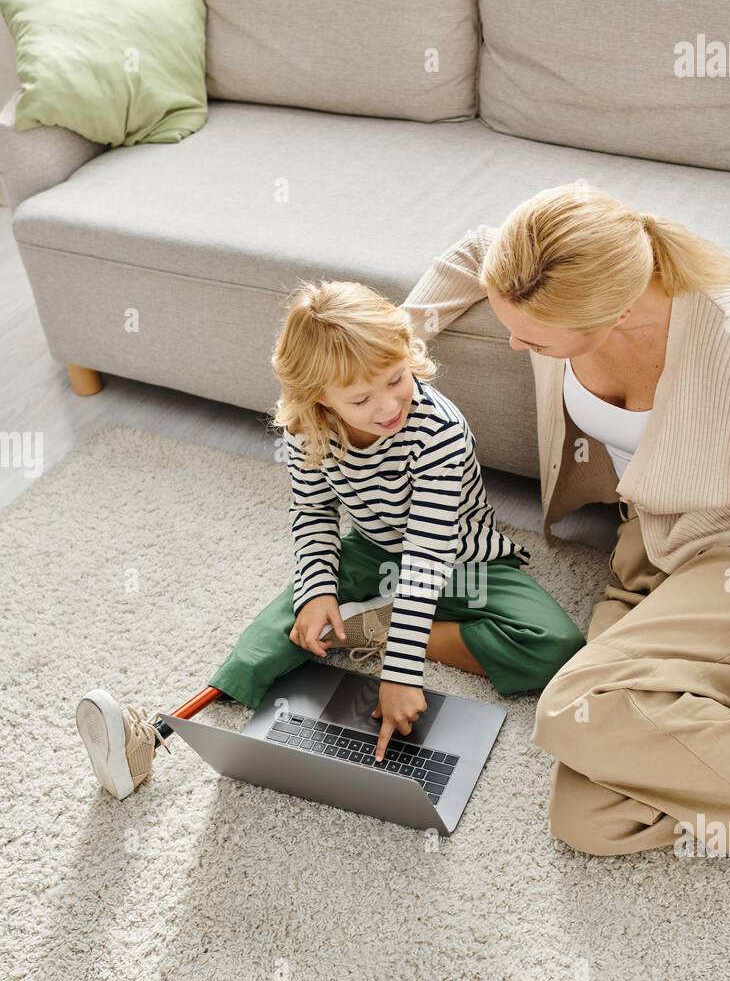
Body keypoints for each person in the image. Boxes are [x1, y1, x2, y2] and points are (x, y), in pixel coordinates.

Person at [398, 183, 730, 852]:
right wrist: (392, 346)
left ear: (615, 314)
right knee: (591, 820)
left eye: (531, 338)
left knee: (571, 709)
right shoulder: (570, 263)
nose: (511, 343)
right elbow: (479, 246)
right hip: (650, 551)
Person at [76, 279, 583, 800]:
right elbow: (314, 512)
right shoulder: (307, 431)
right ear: (318, 396)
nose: (389, 406)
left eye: (396, 378)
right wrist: (318, 591)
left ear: (409, 356)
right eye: (361, 398)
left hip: (462, 556)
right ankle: (152, 735)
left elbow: (428, 557)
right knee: (288, 622)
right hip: (370, 552)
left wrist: (400, 671)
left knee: (556, 646)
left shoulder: (438, 432)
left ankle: (375, 628)